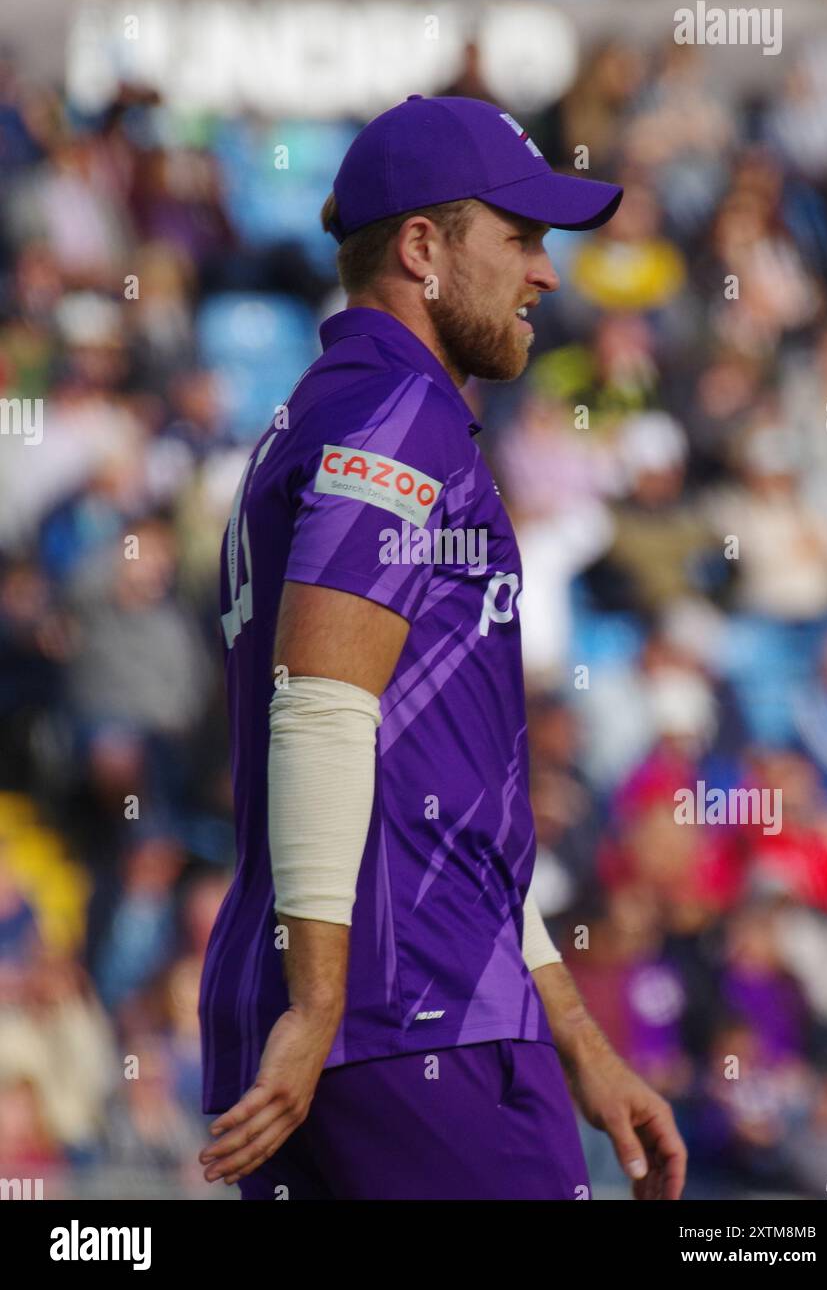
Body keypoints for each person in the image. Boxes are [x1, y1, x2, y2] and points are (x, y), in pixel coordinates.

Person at [197, 94, 687, 1200]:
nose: (544, 274)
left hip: (376, 997)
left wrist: (577, 1039)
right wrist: (322, 1003)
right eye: (517, 238)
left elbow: (447, 800)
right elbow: (320, 702)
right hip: (403, 1009)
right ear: (422, 248)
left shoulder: (332, 412)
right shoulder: (392, 421)